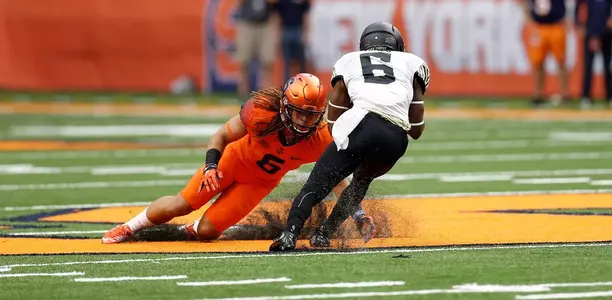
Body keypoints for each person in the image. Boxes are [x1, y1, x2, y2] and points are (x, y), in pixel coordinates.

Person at [102, 73, 375, 244]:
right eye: (299, 112)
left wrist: (359, 212)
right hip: (230, 163)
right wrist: (211, 166)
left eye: (311, 115)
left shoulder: (321, 138)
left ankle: (191, 229)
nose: (305, 121)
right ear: (284, 107)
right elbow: (220, 136)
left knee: (208, 232)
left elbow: (336, 178)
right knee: (182, 204)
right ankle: (128, 227)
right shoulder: (261, 114)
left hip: (259, 184)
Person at [269, 22, 429, 252]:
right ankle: (324, 234)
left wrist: (340, 137)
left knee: (315, 186)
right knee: (360, 182)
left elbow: (337, 105)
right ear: (397, 46)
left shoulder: (349, 60)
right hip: (395, 139)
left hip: (361, 126)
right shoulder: (414, 63)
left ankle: (290, 234)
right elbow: (415, 130)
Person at [524, 0, 569, 106]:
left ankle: (564, 93)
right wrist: (530, 22)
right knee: (538, 62)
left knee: (561, 61)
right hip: (539, 27)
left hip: (556, 25)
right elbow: (526, 5)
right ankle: (538, 93)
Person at [575, 0, 612, 109]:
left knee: (607, 65)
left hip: (607, 33)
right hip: (590, 32)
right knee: (588, 66)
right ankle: (586, 96)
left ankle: (609, 95)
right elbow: (579, 9)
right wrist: (580, 25)